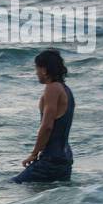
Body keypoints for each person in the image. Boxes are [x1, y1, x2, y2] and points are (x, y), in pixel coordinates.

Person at [12, 48, 75, 183]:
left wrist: (34, 154)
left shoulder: (52, 88)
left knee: (11, 186)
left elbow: (47, 126)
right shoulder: (66, 90)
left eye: (37, 68)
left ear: (45, 70)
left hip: (51, 159)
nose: (36, 73)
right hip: (65, 158)